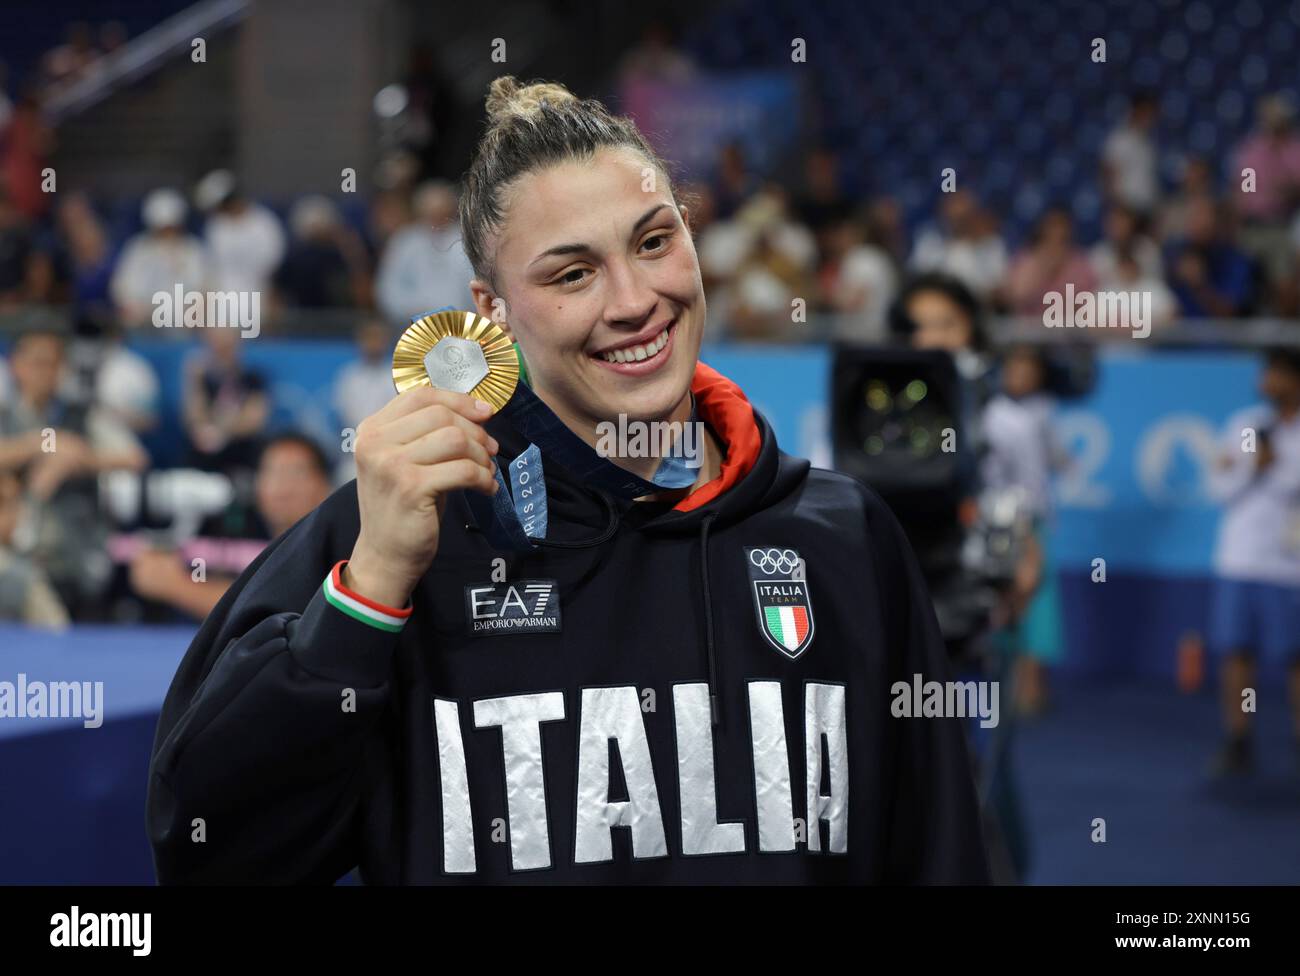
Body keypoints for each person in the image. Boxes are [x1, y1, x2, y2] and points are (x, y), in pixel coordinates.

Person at [149, 76, 989, 885]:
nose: (635, 300)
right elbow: (209, 852)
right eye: (572, 273)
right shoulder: (393, 540)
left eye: (655, 240)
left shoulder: (842, 536)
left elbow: (936, 851)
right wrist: (368, 597)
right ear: (492, 310)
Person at [0, 328, 147, 615]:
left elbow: (134, 458)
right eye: (37, 362)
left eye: (53, 363)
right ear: (16, 365)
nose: (45, 372)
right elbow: (38, 446)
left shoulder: (81, 415)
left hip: (75, 552)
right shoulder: (6, 417)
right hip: (15, 547)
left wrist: (81, 459)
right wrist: (40, 445)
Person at [1206, 348, 1300, 776]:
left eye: (1278, 374)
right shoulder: (1246, 426)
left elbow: (1289, 479)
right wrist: (1253, 468)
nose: (1268, 382)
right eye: (1267, 374)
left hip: (1289, 565)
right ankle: (1238, 739)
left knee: (1295, 657)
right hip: (1240, 558)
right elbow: (1223, 484)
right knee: (1238, 651)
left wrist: (1273, 469)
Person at [130, 433, 333, 621]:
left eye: (295, 472)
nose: (282, 485)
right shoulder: (239, 537)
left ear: (324, 485)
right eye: (271, 471)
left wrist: (175, 585)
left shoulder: (335, 549)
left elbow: (273, 608)